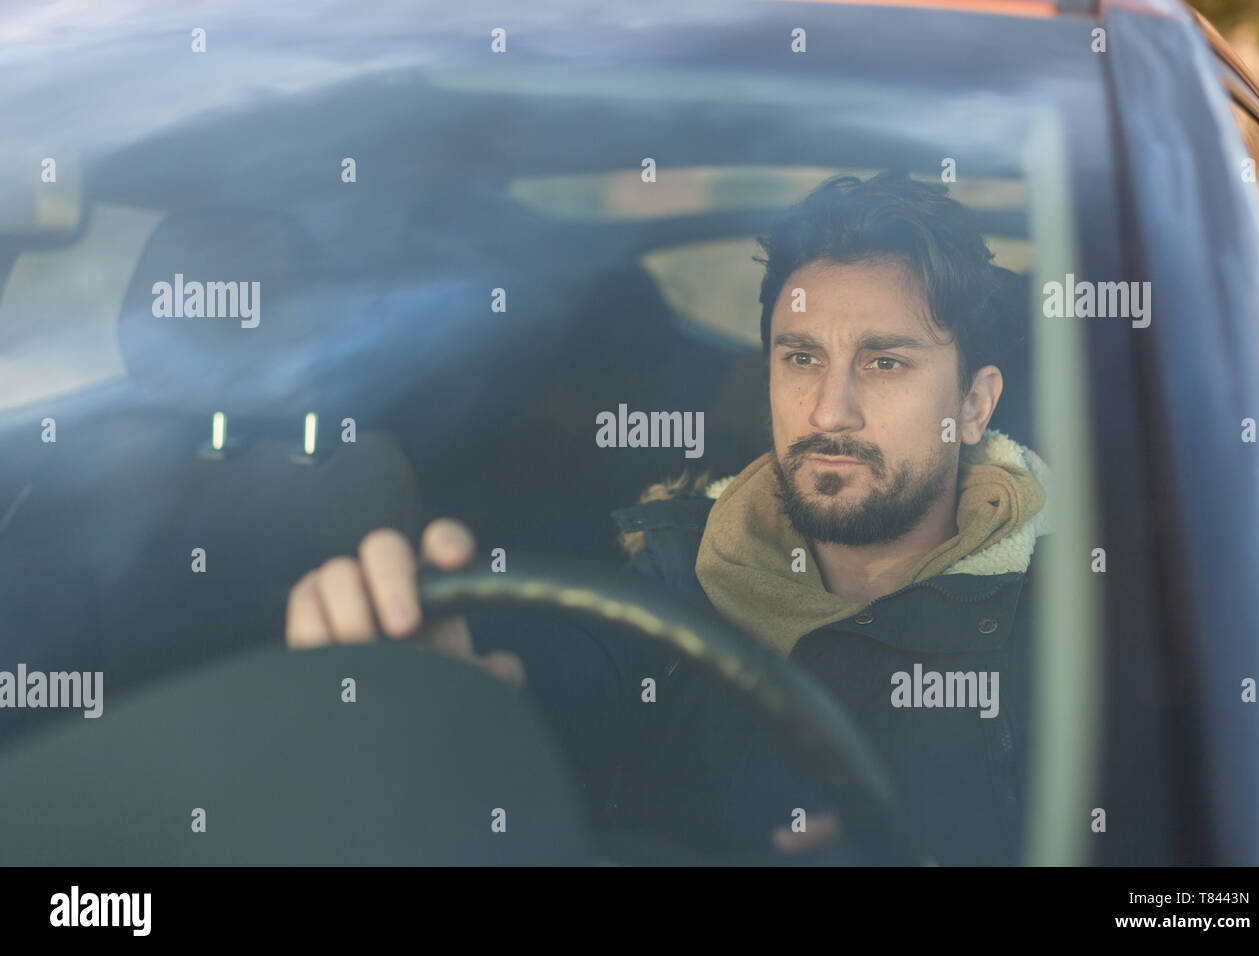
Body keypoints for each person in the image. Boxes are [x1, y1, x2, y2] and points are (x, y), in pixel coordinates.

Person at [285, 170, 1050, 864]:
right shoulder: (665, 578)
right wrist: (436, 686)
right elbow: (558, 688)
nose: (830, 409)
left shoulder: (1070, 634)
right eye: (801, 357)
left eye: (886, 363)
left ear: (975, 404)